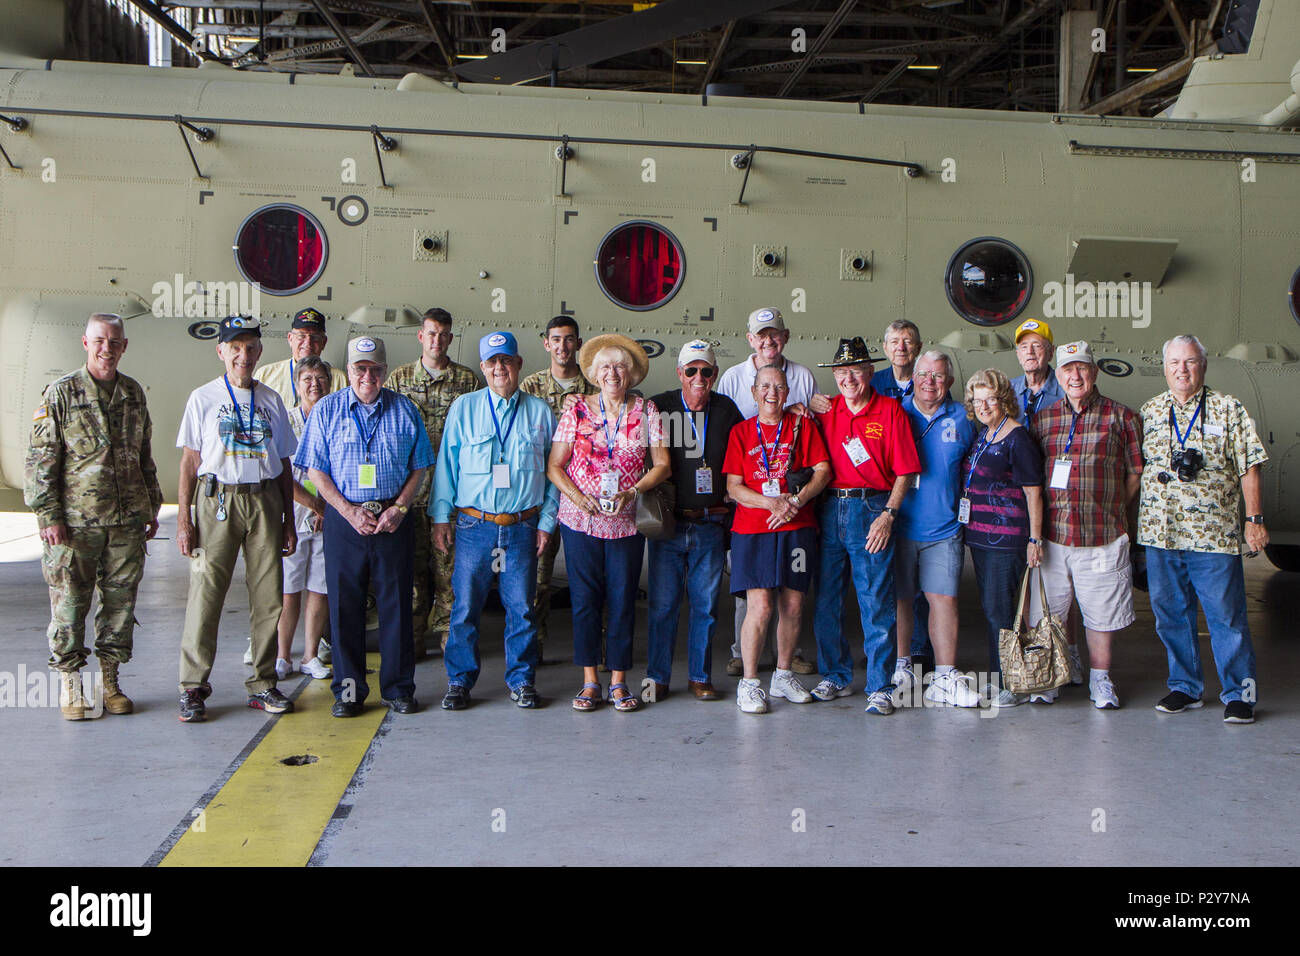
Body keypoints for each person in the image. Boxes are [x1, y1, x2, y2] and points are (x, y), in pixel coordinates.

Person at [25, 313, 163, 720]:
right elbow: (41, 461)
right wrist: (49, 516)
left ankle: (110, 681)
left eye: (115, 342)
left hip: (125, 523)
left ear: (124, 346)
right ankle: (70, 683)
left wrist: (151, 504)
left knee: (120, 605)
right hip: (74, 525)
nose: (107, 348)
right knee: (70, 605)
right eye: (100, 340)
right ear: (86, 343)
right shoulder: (61, 393)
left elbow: (144, 456)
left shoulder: (133, 393)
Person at [295, 336, 434, 717]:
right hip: (345, 522)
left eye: (375, 368)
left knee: (397, 606)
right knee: (345, 608)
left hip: (393, 520)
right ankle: (350, 692)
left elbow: (419, 465)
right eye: (360, 368)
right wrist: (345, 510)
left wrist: (401, 508)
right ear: (349, 370)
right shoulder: (327, 410)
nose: (367, 376)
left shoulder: (405, 410)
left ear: (385, 371)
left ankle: (398, 688)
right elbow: (315, 469)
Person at [1139, 335, 1268, 724]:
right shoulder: (1150, 412)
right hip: (1161, 535)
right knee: (1170, 615)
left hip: (1212, 537)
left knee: (1226, 617)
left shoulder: (1229, 410)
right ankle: (1185, 687)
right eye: (1175, 362)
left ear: (1203, 366)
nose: (1182, 369)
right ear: (1164, 368)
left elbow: (1250, 465)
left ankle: (1240, 694)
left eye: (1190, 362)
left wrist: (1255, 519)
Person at [176, 315, 298, 723]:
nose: (242, 355)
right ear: (221, 352)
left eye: (250, 348)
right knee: (206, 594)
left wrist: (289, 521)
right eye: (235, 348)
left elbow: (282, 464)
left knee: (268, 597)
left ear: (260, 352)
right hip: (217, 502)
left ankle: (263, 683)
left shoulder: (271, 400)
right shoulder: (204, 398)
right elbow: (190, 463)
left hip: (264, 501)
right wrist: (184, 520)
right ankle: (193, 686)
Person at [432, 331, 560, 710]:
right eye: (491, 362)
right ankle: (459, 681)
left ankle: (521, 681)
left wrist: (546, 523)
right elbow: (447, 466)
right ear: (483, 368)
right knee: (465, 607)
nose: (499, 368)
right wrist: (441, 517)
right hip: (475, 526)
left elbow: (555, 471)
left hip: (522, 526)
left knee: (521, 608)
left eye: (506, 360)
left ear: (519, 364)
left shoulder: (539, 412)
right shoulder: (464, 408)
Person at [547, 334, 670, 713]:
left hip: (626, 523)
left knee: (621, 601)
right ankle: (589, 682)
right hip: (580, 519)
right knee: (584, 602)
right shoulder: (576, 410)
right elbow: (554, 465)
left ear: (631, 374)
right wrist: (579, 497)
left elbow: (663, 465)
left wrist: (632, 493)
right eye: (605, 367)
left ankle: (618, 681)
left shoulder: (648, 412)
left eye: (619, 366)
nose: (612, 373)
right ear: (595, 374)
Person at [808, 338, 920, 715]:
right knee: (826, 599)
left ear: (871, 373)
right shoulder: (827, 410)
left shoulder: (890, 411)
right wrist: (801, 403)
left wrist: (888, 515)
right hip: (830, 508)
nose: (848, 379)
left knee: (875, 601)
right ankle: (836, 675)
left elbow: (905, 472)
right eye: (841, 372)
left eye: (855, 371)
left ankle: (879, 686)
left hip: (872, 508)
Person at [1028, 341, 1143, 709]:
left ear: (1094, 372)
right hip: (1055, 535)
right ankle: (1048, 678)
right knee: (1049, 612)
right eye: (1067, 369)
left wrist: (1112, 508)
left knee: (1101, 614)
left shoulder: (1121, 417)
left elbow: (1135, 472)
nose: (1075, 376)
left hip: (1102, 535)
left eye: (1082, 368)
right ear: (1057, 375)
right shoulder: (1043, 419)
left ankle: (1101, 681)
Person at [716, 306, 818, 677]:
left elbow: (815, 426)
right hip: (751, 506)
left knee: (792, 595)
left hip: (793, 507)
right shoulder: (731, 378)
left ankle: (787, 660)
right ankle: (744, 657)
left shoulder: (803, 376)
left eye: (774, 333)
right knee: (752, 593)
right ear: (750, 340)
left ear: (785, 336)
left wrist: (795, 500)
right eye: (761, 335)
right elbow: (723, 425)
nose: (768, 340)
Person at [724, 364, 832, 714]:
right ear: (754, 392)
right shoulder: (740, 432)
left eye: (780, 387)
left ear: (789, 393)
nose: (773, 393)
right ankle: (750, 682)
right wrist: (772, 502)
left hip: (797, 529)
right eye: (765, 387)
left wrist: (796, 502)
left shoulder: (802, 426)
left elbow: (823, 472)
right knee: (761, 606)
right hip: (753, 531)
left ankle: (783, 675)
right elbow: (734, 486)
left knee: (793, 605)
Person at [645, 340, 744, 701]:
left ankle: (700, 676)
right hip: (668, 524)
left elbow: (743, 458)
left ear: (715, 375)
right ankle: (657, 677)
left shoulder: (727, 410)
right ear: (680, 374)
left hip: (710, 524)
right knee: (663, 606)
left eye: (707, 371)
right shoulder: (659, 407)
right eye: (692, 370)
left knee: (705, 606)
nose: (699, 377)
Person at [385, 307, 482, 660]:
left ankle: (448, 638)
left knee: (450, 572)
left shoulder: (468, 381)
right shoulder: (397, 380)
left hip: (452, 494)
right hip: (407, 494)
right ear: (420, 336)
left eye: (443, 334)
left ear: (451, 339)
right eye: (430, 333)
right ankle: (410, 639)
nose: (436, 340)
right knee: (409, 571)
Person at [892, 350, 979, 707]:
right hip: (900, 526)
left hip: (944, 529)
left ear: (950, 382)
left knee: (944, 600)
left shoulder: (963, 417)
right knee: (899, 600)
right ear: (913, 376)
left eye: (939, 376)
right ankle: (902, 666)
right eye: (924, 374)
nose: (930, 382)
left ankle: (944, 675)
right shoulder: (895, 413)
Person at [961, 367, 1044, 707]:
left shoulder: (1017, 438)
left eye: (990, 399)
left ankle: (1013, 682)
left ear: (1004, 400)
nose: (983, 406)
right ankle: (1000, 678)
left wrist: (1035, 540)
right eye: (977, 400)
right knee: (993, 609)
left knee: (1002, 612)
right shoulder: (985, 434)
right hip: (981, 538)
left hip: (1006, 540)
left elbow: (1033, 493)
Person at [520, 315, 598, 660]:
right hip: (542, 493)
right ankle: (532, 643)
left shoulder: (595, 387)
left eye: (569, 339)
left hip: (586, 494)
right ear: (546, 343)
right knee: (537, 574)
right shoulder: (530, 387)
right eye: (556, 339)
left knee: (594, 575)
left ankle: (597, 645)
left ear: (579, 344)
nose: (563, 346)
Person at [274, 357, 332, 681]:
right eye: (307, 378)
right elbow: (282, 472)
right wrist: (312, 503)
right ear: (297, 386)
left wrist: (327, 507)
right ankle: (283, 655)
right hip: (293, 516)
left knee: (319, 587)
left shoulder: (336, 419)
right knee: (289, 588)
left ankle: (310, 655)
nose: (314, 384)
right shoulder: (287, 421)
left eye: (320, 377)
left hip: (327, 517)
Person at [252, 307, 347, 406]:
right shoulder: (266, 375)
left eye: (315, 337)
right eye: (301, 336)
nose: (308, 343)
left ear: (324, 342)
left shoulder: (339, 378)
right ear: (290, 339)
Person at [1009, 318, 1065, 421]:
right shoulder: (1007, 390)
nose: (1030, 351)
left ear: (1051, 352)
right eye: (1024, 347)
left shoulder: (1067, 390)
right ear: (1018, 355)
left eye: (1037, 345)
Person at [870, 319, 922, 400]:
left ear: (919, 348)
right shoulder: (871, 383)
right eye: (894, 342)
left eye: (907, 342)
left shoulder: (931, 384)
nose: (901, 348)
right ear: (885, 348)